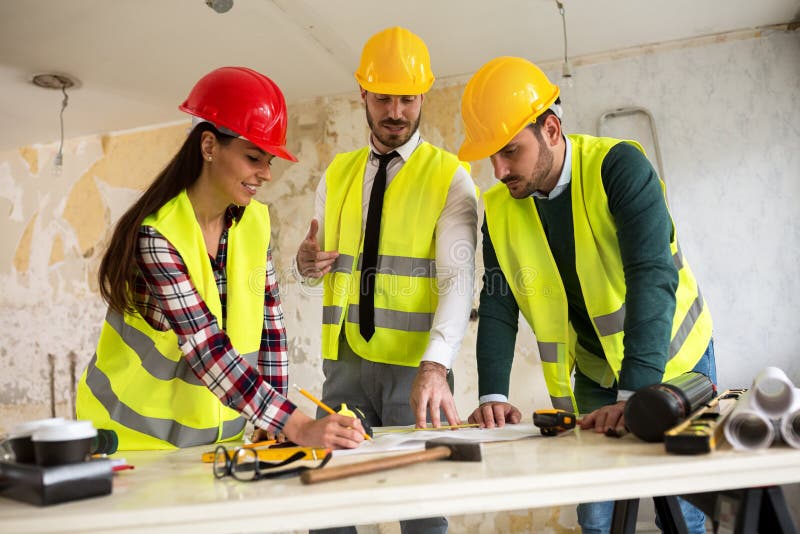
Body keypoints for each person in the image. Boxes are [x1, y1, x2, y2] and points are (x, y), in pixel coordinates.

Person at [459, 57, 715, 533]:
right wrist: (492, 392)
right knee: (596, 519)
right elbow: (498, 300)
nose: (497, 170)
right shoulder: (500, 206)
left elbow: (650, 275)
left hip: (676, 364)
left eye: (509, 152)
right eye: (490, 156)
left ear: (551, 130)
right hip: (597, 374)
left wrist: (636, 395)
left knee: (682, 513)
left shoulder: (619, 166)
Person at [76, 66, 365, 452]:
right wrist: (296, 424)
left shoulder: (254, 223)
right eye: (252, 158)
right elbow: (206, 347)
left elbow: (271, 331)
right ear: (209, 146)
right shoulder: (157, 236)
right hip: (130, 442)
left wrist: (273, 426)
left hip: (208, 447)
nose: (264, 174)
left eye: (269, 162)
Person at [295, 27, 477, 534]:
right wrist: (304, 267)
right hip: (346, 365)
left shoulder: (450, 176)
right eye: (383, 98)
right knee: (332, 502)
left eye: (407, 98)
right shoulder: (337, 174)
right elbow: (320, 271)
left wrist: (437, 367)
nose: (395, 111)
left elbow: (458, 281)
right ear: (363, 95)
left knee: (419, 508)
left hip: (415, 373)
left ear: (423, 96)